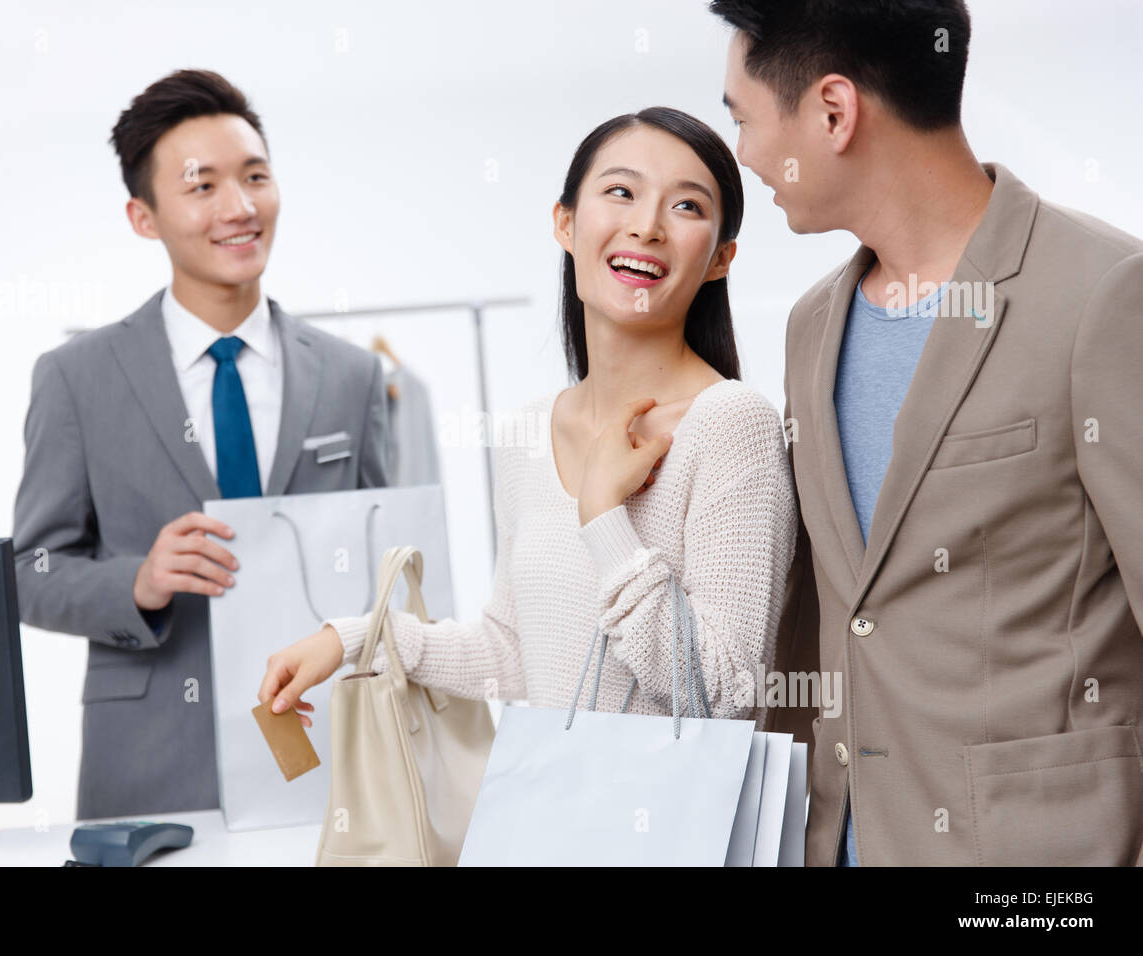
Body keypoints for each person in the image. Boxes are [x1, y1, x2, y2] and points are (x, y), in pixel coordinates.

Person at [710, 0, 1143, 865]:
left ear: (834, 113)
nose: (745, 155)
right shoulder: (810, 326)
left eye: (744, 121)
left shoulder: (1103, 293)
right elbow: (830, 616)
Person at [260, 107, 797, 738]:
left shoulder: (733, 423)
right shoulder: (528, 433)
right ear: (565, 224)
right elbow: (513, 654)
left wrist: (603, 516)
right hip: (556, 825)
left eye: (685, 207)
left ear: (719, 259)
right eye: (621, 192)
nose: (647, 225)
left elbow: (724, 692)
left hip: (678, 831)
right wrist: (355, 639)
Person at [12, 69, 389, 819]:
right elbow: (29, 570)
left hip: (327, 747)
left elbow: (387, 561)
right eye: (203, 186)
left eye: (255, 177)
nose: (241, 208)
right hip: (151, 760)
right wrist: (138, 583)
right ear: (143, 217)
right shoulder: (77, 377)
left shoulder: (351, 374)